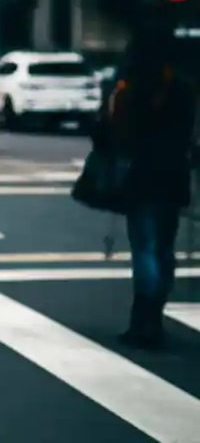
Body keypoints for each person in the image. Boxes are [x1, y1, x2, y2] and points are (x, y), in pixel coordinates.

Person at [105, 21, 196, 349]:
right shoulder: (183, 86)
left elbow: (114, 128)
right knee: (163, 247)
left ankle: (142, 319)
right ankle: (154, 316)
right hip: (173, 172)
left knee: (144, 246)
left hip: (140, 172)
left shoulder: (131, 86)